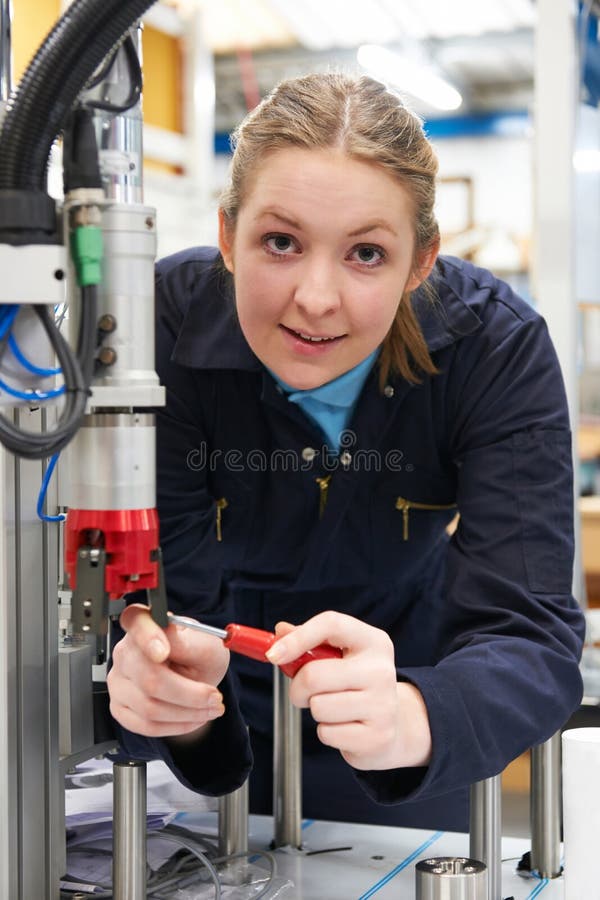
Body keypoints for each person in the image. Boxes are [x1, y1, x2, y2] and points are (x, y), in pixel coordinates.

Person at [107, 72, 585, 831]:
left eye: (366, 253)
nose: (317, 298)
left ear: (420, 262)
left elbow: (529, 633)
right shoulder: (159, 334)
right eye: (280, 242)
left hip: (406, 724)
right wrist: (176, 704)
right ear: (228, 236)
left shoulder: (495, 347)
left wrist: (413, 714)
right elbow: (165, 613)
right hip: (207, 765)